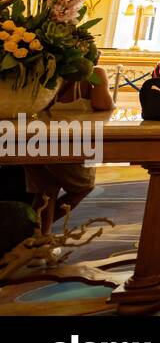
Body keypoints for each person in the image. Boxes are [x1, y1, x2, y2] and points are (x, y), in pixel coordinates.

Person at [24, 64, 114, 235]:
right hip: (73, 142)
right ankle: (34, 233)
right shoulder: (92, 73)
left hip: (33, 138)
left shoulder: (41, 67)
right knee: (84, 186)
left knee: (46, 191)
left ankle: (38, 237)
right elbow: (103, 104)